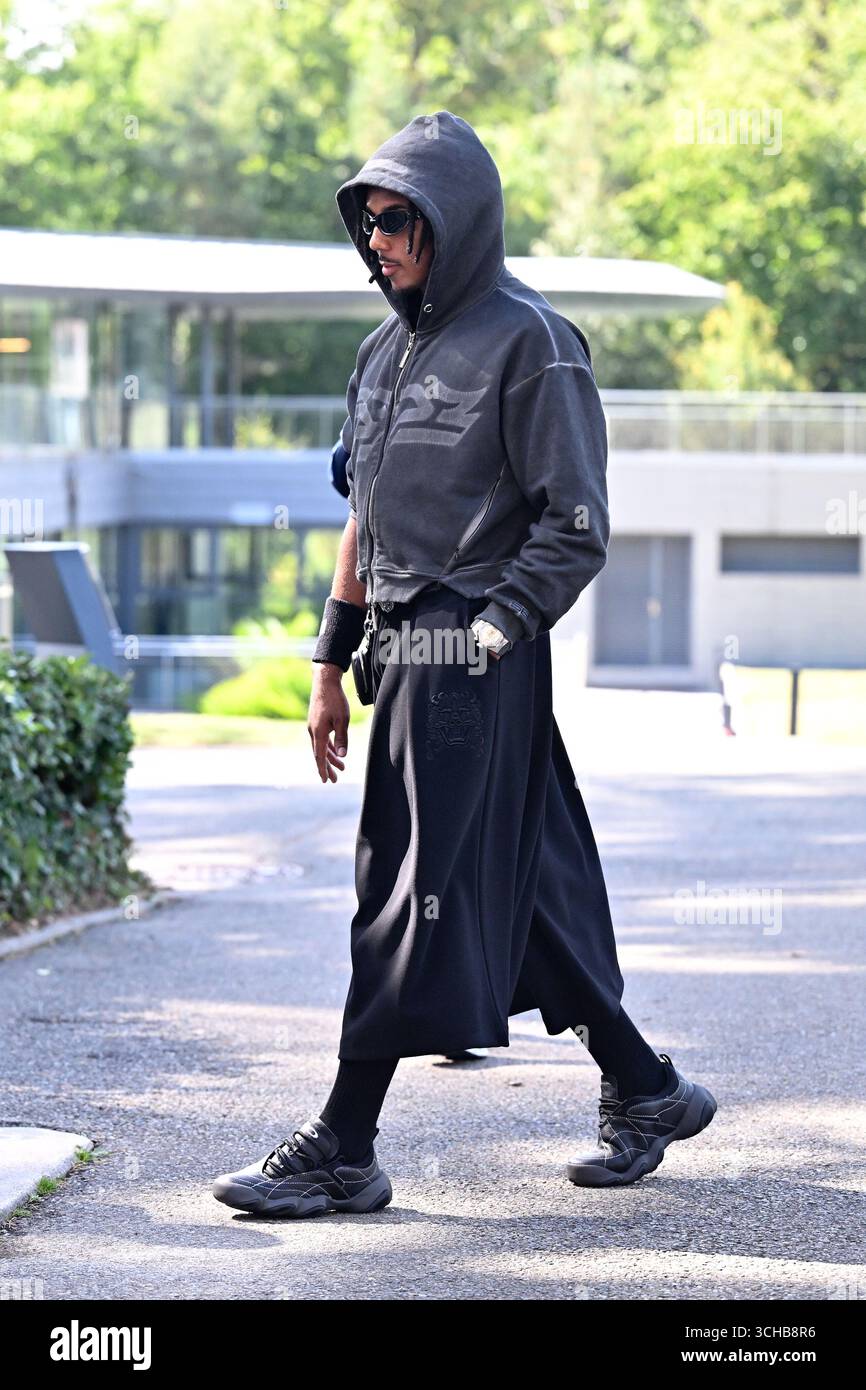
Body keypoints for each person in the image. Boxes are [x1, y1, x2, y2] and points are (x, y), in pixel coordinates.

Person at [213, 111, 716, 1219]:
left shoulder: (533, 341)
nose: (377, 242)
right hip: (399, 651)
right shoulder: (378, 352)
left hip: (469, 649)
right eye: (368, 222)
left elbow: (573, 523)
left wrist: (483, 638)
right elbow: (363, 519)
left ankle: (344, 1141)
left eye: (398, 222)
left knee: (407, 889)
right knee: (521, 882)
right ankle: (645, 1086)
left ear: (457, 222)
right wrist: (324, 663)